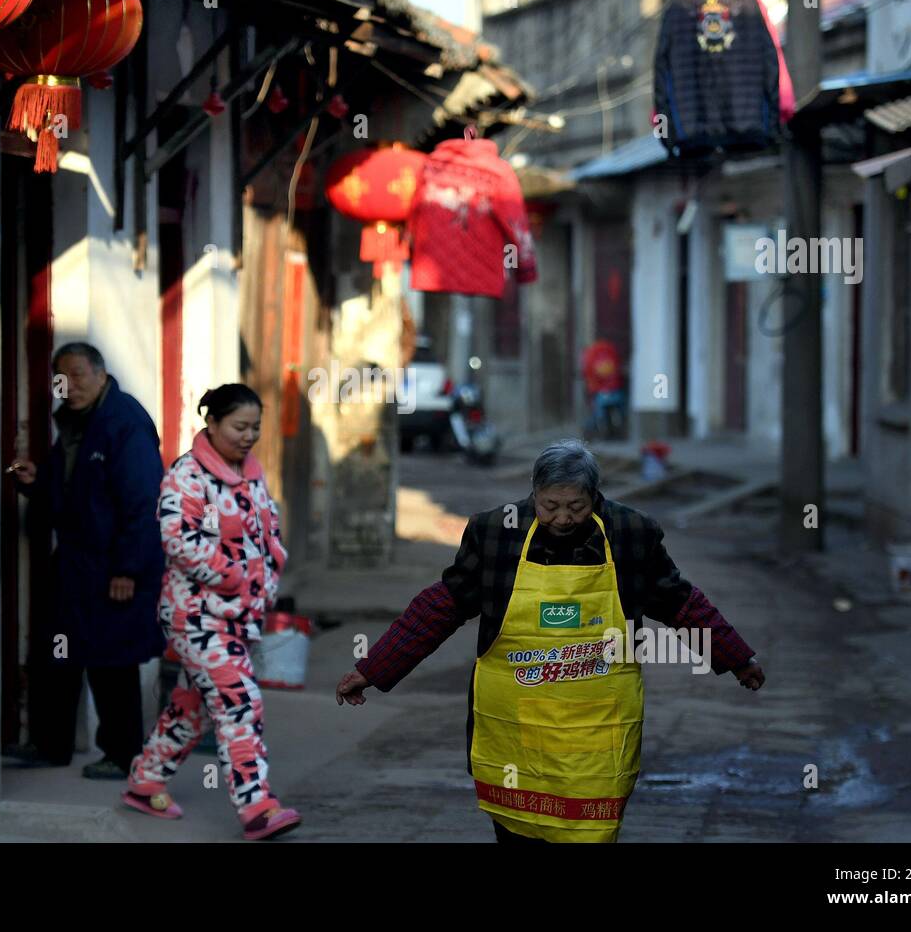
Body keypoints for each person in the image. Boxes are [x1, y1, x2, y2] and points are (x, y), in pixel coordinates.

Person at [335, 439, 764, 843]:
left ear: (595, 496)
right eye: (550, 505)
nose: (562, 518)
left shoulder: (631, 533)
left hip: (598, 731)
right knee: (519, 828)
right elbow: (440, 607)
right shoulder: (496, 533)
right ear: (533, 493)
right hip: (515, 730)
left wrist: (737, 657)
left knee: (590, 827)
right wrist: (372, 669)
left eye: (575, 506)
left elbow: (681, 602)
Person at [121, 384, 301, 841]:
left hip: (238, 616)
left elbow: (269, 531)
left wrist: (269, 572)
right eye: (239, 427)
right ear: (212, 423)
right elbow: (176, 538)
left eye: (255, 427)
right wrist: (236, 574)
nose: (249, 436)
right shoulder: (187, 474)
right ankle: (257, 806)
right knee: (240, 702)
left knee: (195, 705)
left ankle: (145, 782)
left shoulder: (253, 473)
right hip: (196, 616)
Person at [7, 343, 166, 780]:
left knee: (112, 660)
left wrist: (127, 569)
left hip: (113, 566)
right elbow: (70, 491)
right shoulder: (77, 424)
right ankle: (50, 743)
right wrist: (38, 482)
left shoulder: (124, 422)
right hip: (76, 563)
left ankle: (123, 753)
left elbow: (143, 502)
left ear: (101, 374)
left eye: (78, 375)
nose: (68, 385)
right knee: (54, 651)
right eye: (61, 378)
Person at [581, 338, 626, 440]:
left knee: (598, 413)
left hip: (601, 391)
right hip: (613, 390)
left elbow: (588, 373)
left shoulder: (592, 354)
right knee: (613, 411)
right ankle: (614, 432)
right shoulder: (609, 352)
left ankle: (592, 432)